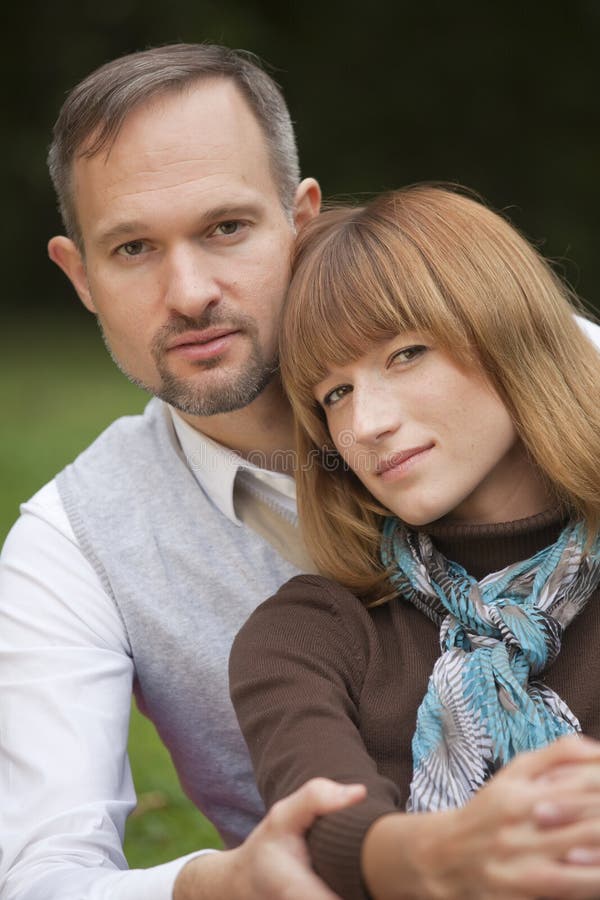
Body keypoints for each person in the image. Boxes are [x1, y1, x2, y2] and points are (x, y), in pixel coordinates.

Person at [0, 43, 370, 900]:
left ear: (301, 217)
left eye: (226, 228)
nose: (190, 291)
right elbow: (41, 876)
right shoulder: (71, 550)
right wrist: (227, 883)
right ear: (80, 275)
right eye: (133, 248)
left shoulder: (522, 371)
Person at [229, 185, 600, 900]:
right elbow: (325, 828)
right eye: (333, 394)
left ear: (508, 332)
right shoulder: (308, 635)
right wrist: (448, 853)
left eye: (404, 354)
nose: (365, 424)